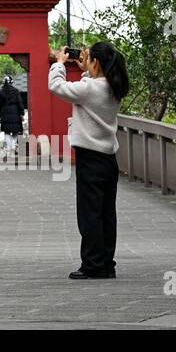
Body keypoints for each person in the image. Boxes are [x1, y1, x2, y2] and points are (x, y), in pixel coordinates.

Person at [49, 42, 130, 280]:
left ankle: (92, 264)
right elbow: (91, 87)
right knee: (106, 213)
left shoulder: (90, 88)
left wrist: (59, 64)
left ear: (96, 62)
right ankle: (106, 263)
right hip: (108, 159)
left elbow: (56, 86)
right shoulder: (114, 87)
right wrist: (86, 70)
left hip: (90, 159)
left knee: (89, 214)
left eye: (89, 58)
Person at [0, 75, 25, 156]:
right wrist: (22, 112)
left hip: (4, 113)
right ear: (11, 82)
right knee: (16, 131)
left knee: (6, 132)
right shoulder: (16, 91)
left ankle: (9, 147)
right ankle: (13, 145)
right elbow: (20, 103)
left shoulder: (0, 92)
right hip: (15, 112)